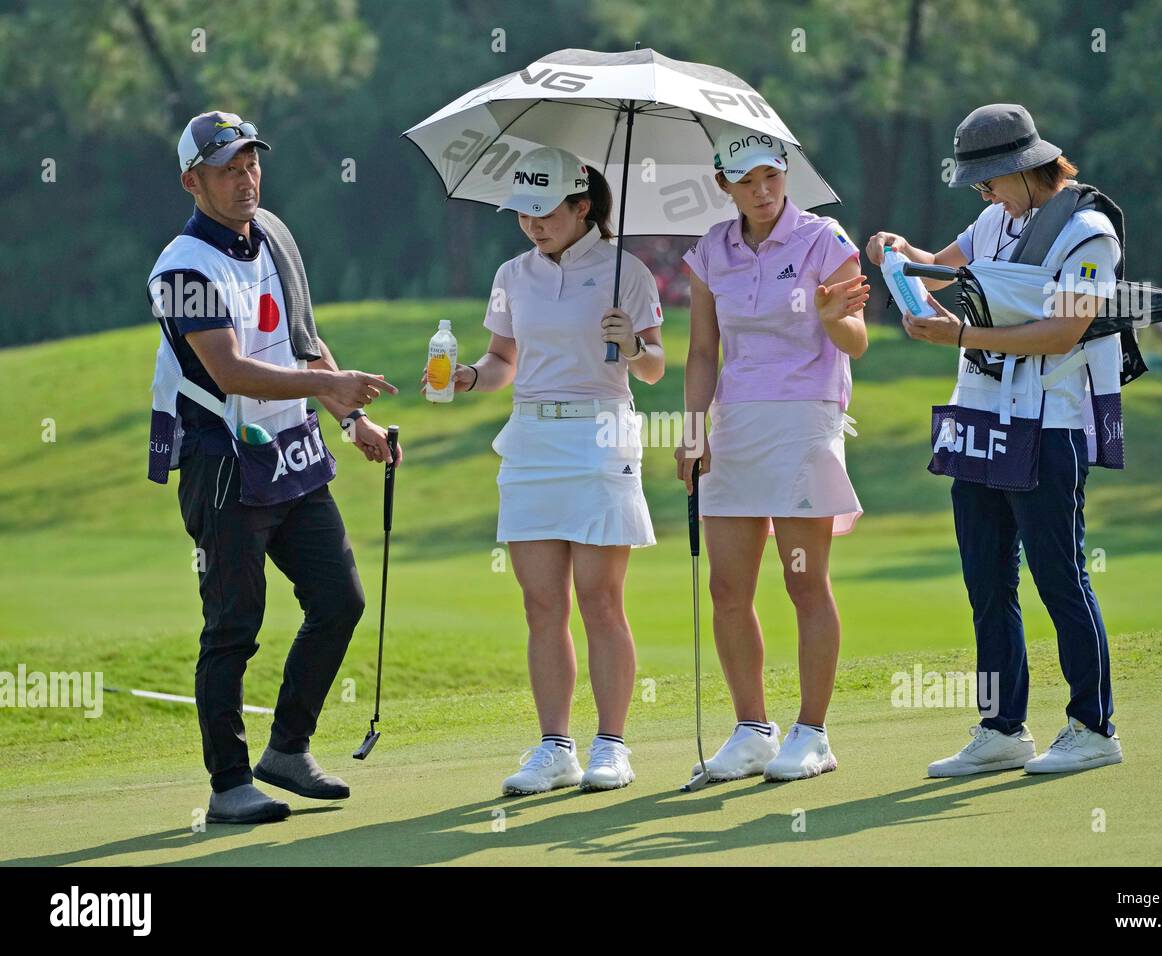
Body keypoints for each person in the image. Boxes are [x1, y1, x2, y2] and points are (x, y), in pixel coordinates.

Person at [146, 111, 403, 824]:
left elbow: (302, 340)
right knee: (233, 624)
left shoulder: (277, 235)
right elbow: (228, 372)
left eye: (251, 163)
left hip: (292, 453)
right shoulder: (180, 269)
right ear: (192, 181)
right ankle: (229, 784)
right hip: (219, 460)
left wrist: (353, 420)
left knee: (339, 600)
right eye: (229, 168)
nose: (245, 179)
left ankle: (286, 749)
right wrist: (329, 387)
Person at [867, 103, 1124, 775]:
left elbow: (1062, 333)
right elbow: (935, 266)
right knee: (986, 581)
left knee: (1060, 578)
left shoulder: (1088, 234)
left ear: (1025, 166)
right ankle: (1003, 727)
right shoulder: (993, 219)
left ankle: (1094, 727)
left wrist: (959, 335)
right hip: (978, 419)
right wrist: (898, 253)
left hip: (1050, 423)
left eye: (988, 178)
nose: (980, 191)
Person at [424, 147, 665, 796]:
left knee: (600, 598)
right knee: (540, 603)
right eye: (522, 213)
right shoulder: (513, 274)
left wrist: (634, 340)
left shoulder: (627, 272)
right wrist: (472, 376)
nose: (531, 223)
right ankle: (555, 747)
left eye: (543, 209)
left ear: (582, 206)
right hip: (531, 437)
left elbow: (653, 369)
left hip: (600, 432)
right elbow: (504, 358)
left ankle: (611, 745)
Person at [674, 122, 869, 782]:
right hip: (735, 429)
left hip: (804, 423)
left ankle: (812, 733)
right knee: (727, 586)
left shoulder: (823, 241)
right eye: (746, 180)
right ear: (723, 184)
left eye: (772, 176)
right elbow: (703, 352)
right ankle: (753, 729)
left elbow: (856, 341)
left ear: (786, 174)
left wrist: (830, 313)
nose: (762, 191)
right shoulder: (711, 251)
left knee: (802, 581)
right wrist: (693, 429)